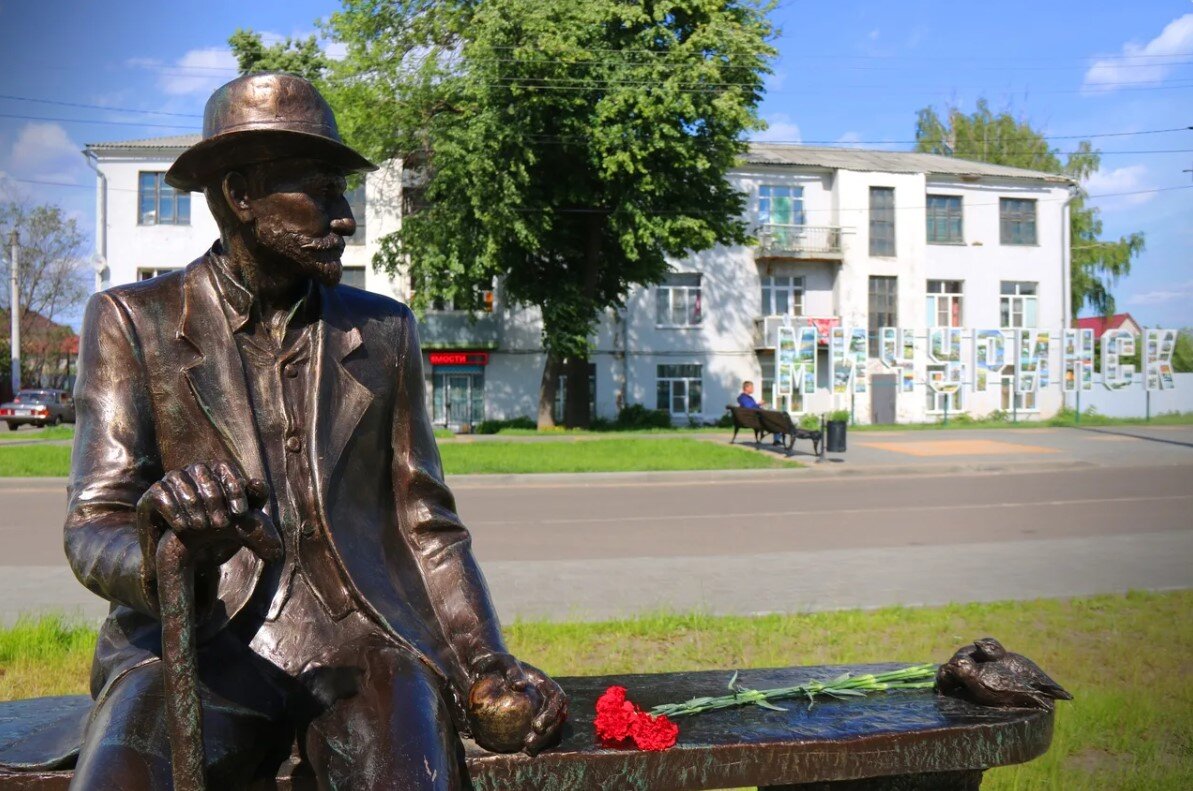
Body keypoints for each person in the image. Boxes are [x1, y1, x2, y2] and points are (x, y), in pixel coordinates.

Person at [65, 73, 565, 790]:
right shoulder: (132, 320)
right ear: (240, 194)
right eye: (321, 191)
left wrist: (484, 664)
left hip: (364, 648)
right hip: (196, 646)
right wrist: (169, 547)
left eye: (344, 192)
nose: (346, 218)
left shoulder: (384, 328)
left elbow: (426, 522)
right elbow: (94, 519)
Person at [737, 381, 784, 446]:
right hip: (757, 419)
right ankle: (777, 439)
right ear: (746, 388)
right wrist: (759, 404)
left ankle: (777, 439)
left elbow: (752, 407)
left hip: (757, 417)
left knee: (775, 415)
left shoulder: (746, 398)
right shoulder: (743, 398)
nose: (753, 389)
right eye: (752, 387)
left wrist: (759, 405)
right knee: (776, 419)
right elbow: (750, 408)